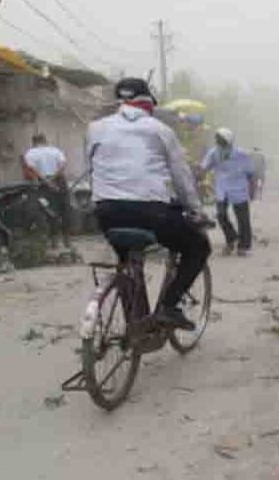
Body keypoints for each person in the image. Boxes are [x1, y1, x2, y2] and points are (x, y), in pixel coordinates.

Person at [88, 78, 210, 331]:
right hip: (149, 212)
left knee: (128, 263)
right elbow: (181, 176)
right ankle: (169, 306)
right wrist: (195, 210)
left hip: (106, 211)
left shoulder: (95, 128)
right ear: (148, 103)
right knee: (198, 246)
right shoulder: (160, 130)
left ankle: (137, 323)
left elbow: (91, 166)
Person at [202, 128, 256, 256]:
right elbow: (204, 167)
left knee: (243, 219)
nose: (219, 142)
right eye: (217, 139)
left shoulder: (241, 154)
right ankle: (231, 238)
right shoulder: (213, 153)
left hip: (239, 190)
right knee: (221, 215)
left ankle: (244, 246)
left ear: (229, 141)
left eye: (221, 140)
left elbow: (250, 174)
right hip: (222, 189)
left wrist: (252, 190)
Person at [23, 133, 70, 246]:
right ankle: (67, 240)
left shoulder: (30, 153)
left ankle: (54, 241)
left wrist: (46, 181)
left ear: (34, 142)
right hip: (59, 181)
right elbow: (63, 165)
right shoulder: (55, 150)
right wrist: (54, 178)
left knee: (50, 211)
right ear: (45, 141)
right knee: (64, 209)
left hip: (42, 184)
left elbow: (32, 169)